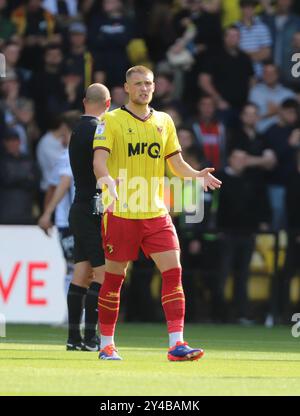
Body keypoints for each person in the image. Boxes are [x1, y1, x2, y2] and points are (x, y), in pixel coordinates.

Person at [93, 65, 221, 361]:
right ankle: (106, 344)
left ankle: (177, 344)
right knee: (114, 278)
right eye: (138, 84)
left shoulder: (164, 121)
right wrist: (107, 181)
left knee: (173, 271)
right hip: (121, 211)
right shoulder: (110, 121)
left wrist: (196, 175)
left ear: (155, 86)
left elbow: (175, 164)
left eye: (148, 83)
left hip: (155, 212)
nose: (144, 88)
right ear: (126, 87)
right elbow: (99, 160)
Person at [66, 83, 111, 351]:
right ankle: (92, 338)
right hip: (94, 209)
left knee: (81, 273)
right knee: (103, 275)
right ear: (107, 105)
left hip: (79, 207)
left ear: (85, 101)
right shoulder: (99, 130)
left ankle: (74, 339)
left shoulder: (76, 129)